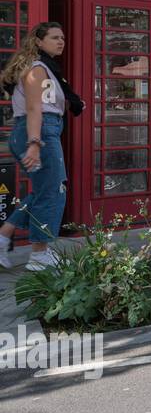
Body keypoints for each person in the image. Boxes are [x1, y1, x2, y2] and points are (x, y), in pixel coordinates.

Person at [0, 22, 84, 271]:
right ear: (38, 41)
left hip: (40, 129)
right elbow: (35, 108)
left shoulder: (44, 69)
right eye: (54, 37)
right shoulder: (37, 69)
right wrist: (35, 143)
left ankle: (3, 236)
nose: (61, 42)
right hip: (38, 131)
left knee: (42, 191)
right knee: (53, 191)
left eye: (63, 37)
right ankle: (39, 254)